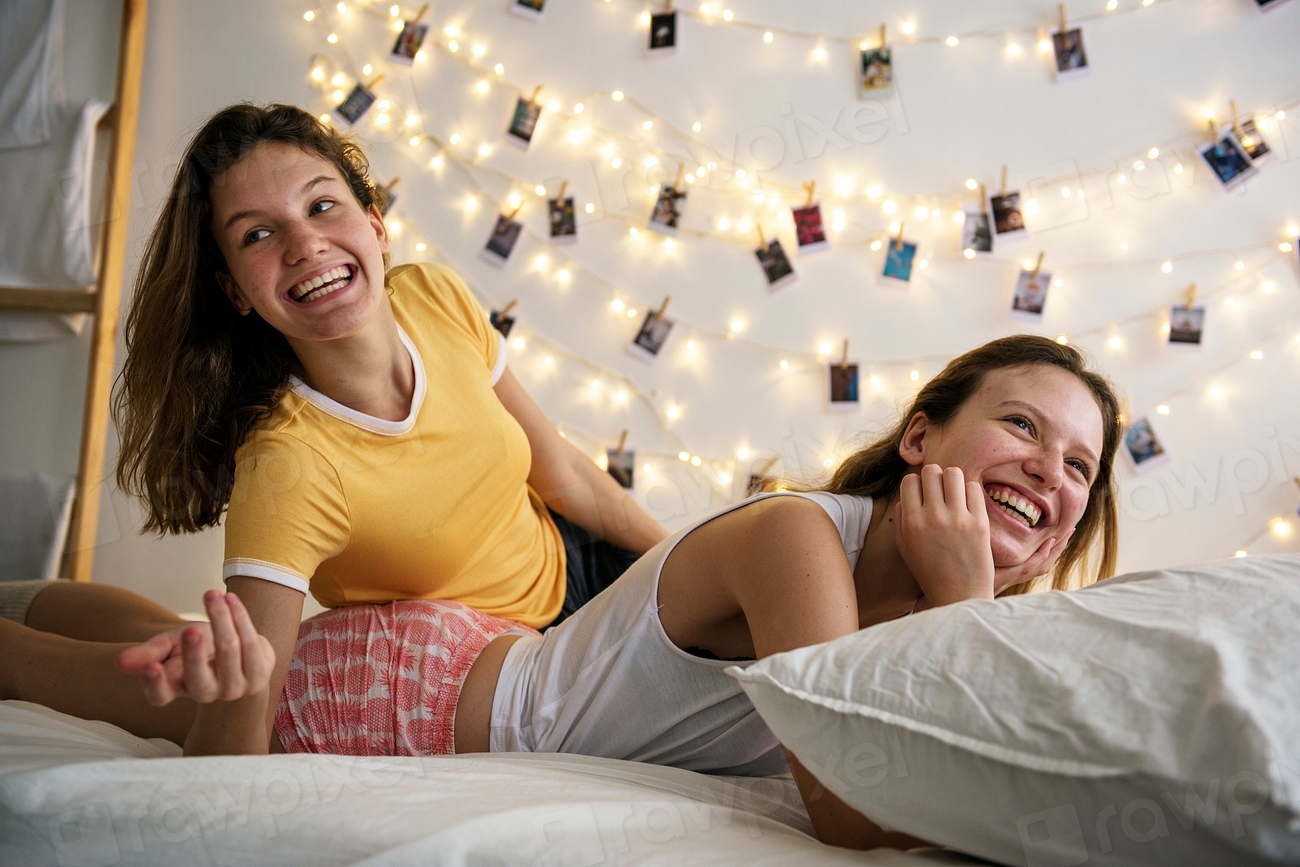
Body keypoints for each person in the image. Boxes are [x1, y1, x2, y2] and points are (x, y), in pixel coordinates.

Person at [55, 333, 1118, 851]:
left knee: (154, 637)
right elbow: (847, 812)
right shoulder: (800, 539)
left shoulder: (973, 611)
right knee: (97, 682)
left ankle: (41, 593)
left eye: (1079, 466)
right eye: (1022, 425)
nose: (1048, 469)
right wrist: (966, 602)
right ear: (921, 436)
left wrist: (969, 604)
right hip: (403, 704)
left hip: (466, 648)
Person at [0, 103, 666, 749]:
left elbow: (565, 474)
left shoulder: (435, 297)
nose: (305, 244)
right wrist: (231, 704)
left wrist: (669, 554)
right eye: (257, 234)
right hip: (482, 660)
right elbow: (242, 723)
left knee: (167, 637)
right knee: (181, 679)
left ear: (376, 224)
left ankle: (20, 599)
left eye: (321, 206)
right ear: (235, 291)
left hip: (576, 570)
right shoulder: (288, 464)